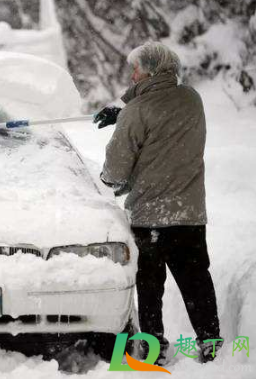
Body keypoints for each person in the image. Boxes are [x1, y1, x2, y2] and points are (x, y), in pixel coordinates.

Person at [94, 42, 222, 364]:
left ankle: (153, 350)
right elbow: (160, 106)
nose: (132, 75)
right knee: (196, 282)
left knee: (150, 289)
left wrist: (124, 118)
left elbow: (115, 172)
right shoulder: (192, 99)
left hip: (150, 217)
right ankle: (211, 344)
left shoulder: (137, 112)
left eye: (135, 70)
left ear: (148, 71)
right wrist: (123, 109)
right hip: (190, 215)